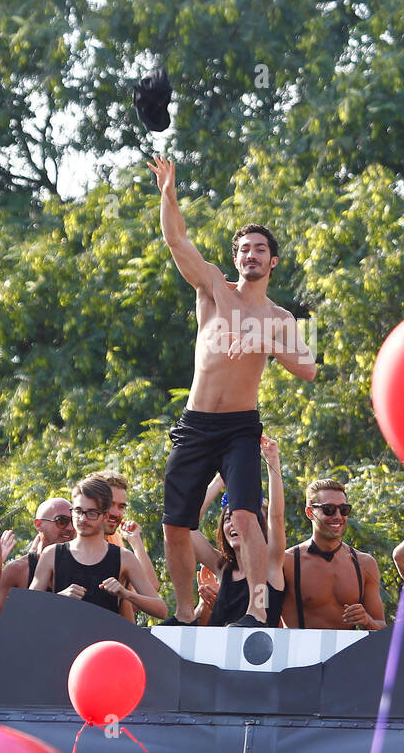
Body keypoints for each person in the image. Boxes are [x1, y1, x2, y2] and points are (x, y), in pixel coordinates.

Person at [148, 156, 316, 625]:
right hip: (195, 423)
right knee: (175, 525)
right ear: (236, 256)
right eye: (244, 249)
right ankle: (183, 612)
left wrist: (269, 343)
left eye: (260, 249)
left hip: (240, 428)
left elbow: (308, 369)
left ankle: (260, 611)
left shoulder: (280, 319)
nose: (251, 255)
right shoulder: (213, 289)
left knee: (245, 517)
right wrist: (168, 191)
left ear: (272, 260)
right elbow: (177, 240)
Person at [29, 477, 168, 620]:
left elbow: (161, 610)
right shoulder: (52, 554)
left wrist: (126, 594)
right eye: (78, 511)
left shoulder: (124, 558)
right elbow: (27, 608)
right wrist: (58, 599)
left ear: (105, 515)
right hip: (62, 639)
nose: (83, 519)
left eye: (91, 513)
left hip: (106, 640)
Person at [191, 436, 287, 626]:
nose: (235, 524)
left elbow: (276, 518)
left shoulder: (271, 565)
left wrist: (273, 461)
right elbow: (187, 527)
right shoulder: (222, 568)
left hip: (257, 653)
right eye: (228, 519)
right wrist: (219, 481)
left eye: (246, 520)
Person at [281, 479, 385, 630]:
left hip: (349, 653)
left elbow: (382, 628)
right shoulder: (287, 562)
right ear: (310, 512)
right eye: (328, 509)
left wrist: (367, 620)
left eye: (344, 510)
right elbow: (268, 623)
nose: (338, 516)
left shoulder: (365, 564)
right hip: (301, 652)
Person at [0, 497, 74, 625]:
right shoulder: (18, 570)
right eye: (62, 521)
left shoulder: (85, 564)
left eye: (74, 521)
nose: (70, 528)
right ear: (39, 524)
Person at [90, 470, 161, 597]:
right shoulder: (69, 540)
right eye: (110, 504)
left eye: (121, 507)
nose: (115, 513)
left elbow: (150, 589)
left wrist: (136, 541)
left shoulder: (114, 540)